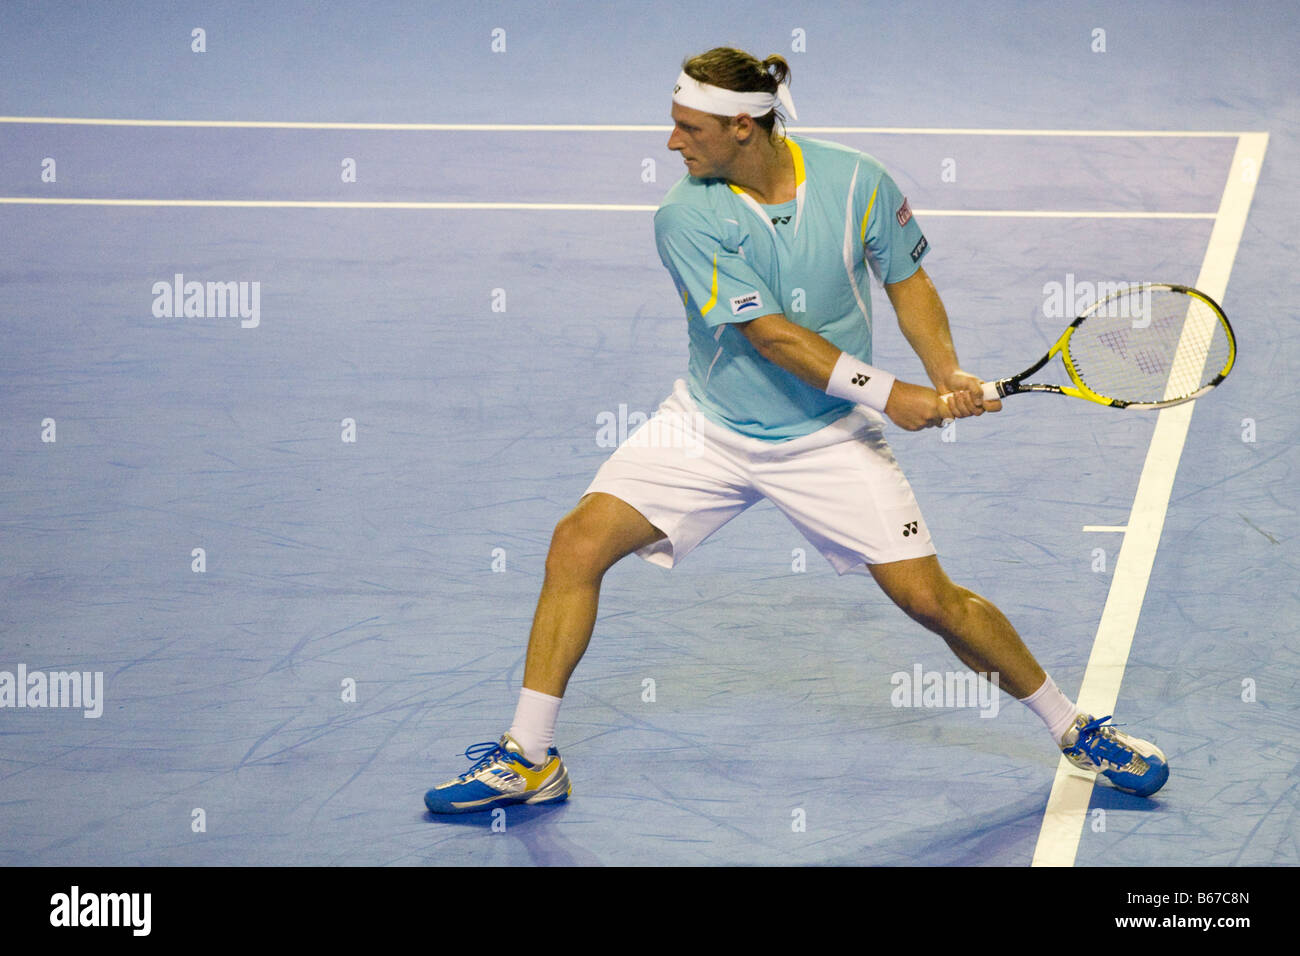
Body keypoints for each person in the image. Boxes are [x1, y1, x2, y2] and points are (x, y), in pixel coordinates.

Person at [424, 47, 1168, 816]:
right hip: (708, 428)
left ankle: (1074, 728)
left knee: (932, 601)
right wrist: (891, 394)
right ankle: (530, 756)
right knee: (576, 543)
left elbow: (907, 279)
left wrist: (944, 371)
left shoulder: (858, 183)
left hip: (825, 438)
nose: (671, 144)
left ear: (743, 127)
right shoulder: (685, 214)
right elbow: (771, 337)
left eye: (687, 128)